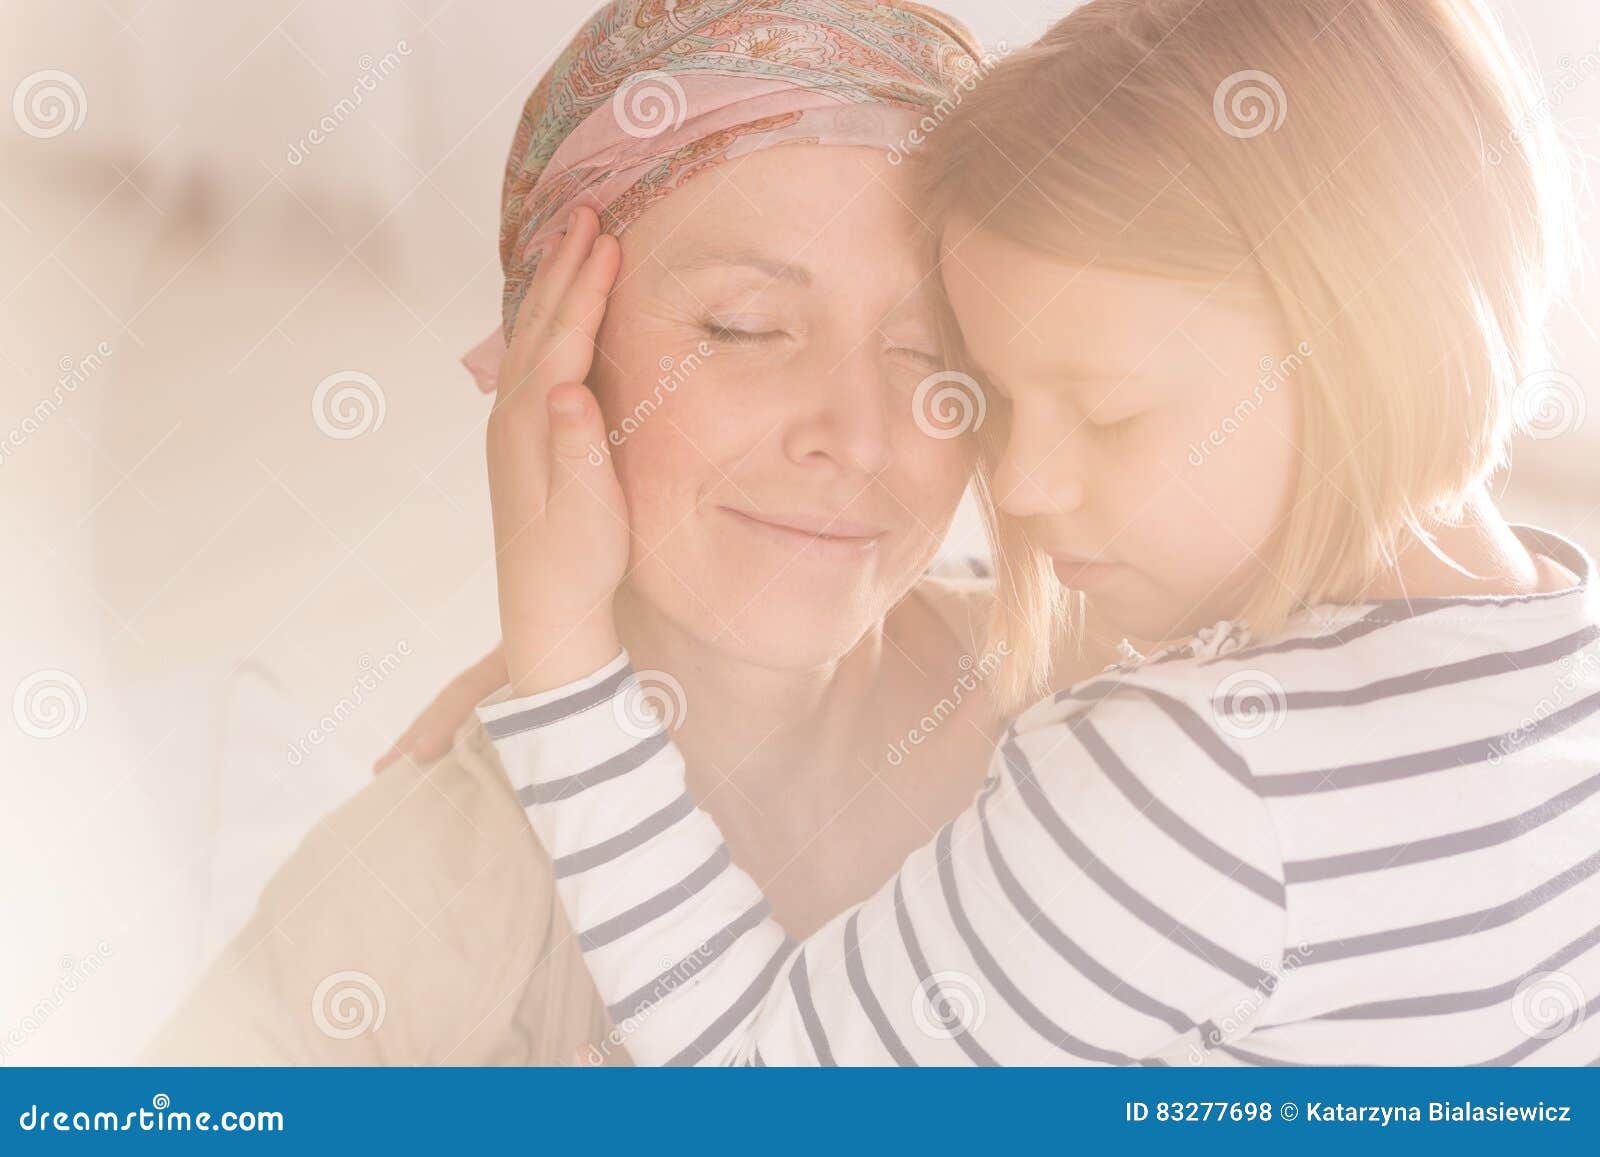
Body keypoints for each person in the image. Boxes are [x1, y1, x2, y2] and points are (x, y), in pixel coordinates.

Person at [476, 0, 1600, 1065]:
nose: (1015, 483)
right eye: (993, 398)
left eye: (1109, 413)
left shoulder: (1181, 786)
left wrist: (569, 664)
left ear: (1369, 351)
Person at [141, 0, 1081, 1066]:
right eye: (745, 327)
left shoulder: (1094, 702)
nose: (854, 435)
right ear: (560, 355)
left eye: (928, 349)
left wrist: (554, 653)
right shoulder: (422, 893)